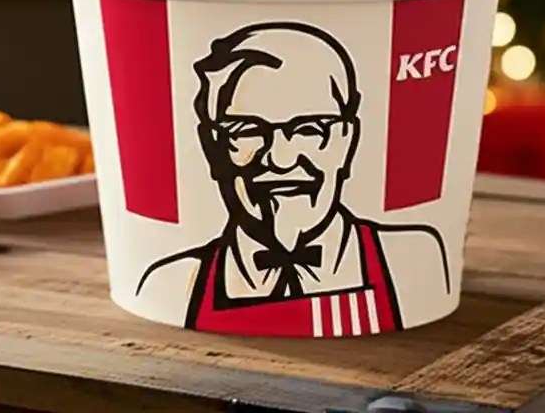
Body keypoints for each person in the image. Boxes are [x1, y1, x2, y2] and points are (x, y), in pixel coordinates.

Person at [137, 22, 449, 336]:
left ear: (346, 141)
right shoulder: (174, 281)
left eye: (310, 129)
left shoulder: (411, 257)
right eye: (247, 131)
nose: (281, 159)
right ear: (212, 147)